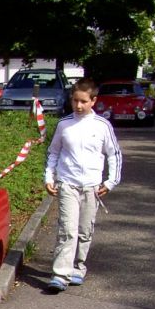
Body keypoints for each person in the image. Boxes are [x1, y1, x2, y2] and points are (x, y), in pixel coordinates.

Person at [43, 77, 122, 292]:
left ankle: (78, 267)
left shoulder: (102, 126)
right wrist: (49, 178)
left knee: (84, 230)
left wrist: (111, 181)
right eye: (75, 101)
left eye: (83, 101)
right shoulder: (64, 125)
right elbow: (53, 153)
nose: (78, 106)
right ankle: (60, 274)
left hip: (92, 186)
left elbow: (114, 155)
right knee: (67, 229)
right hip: (67, 183)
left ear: (93, 101)